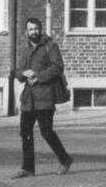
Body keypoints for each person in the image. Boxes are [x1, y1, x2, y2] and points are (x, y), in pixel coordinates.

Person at [12, 18, 72, 178]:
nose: (33, 32)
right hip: (28, 98)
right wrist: (22, 74)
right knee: (25, 132)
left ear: (40, 29)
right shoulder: (25, 50)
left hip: (45, 95)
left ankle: (65, 159)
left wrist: (39, 77)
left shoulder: (50, 45)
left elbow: (58, 66)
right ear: (27, 32)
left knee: (46, 131)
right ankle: (28, 168)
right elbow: (17, 70)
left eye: (36, 29)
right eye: (30, 29)